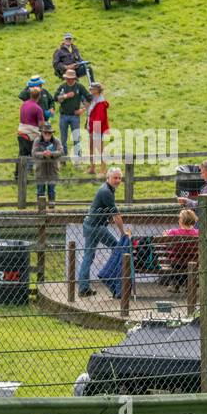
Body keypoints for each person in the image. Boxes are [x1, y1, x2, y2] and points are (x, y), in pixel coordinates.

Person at [77, 167, 126, 297]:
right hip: (97, 227)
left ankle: (83, 288)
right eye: (115, 177)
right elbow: (116, 215)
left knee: (88, 256)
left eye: (119, 178)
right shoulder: (106, 192)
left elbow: (108, 211)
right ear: (108, 178)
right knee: (117, 248)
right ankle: (112, 278)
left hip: (90, 225)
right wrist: (123, 233)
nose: (118, 180)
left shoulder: (108, 189)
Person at [55, 67, 91, 167]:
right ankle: (63, 159)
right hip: (63, 116)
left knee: (76, 138)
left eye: (71, 78)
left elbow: (89, 98)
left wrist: (82, 109)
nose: (69, 80)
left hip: (75, 116)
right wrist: (65, 96)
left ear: (74, 78)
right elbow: (55, 98)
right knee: (63, 139)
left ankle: (77, 161)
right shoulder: (62, 87)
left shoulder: (79, 87)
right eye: (67, 78)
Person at [160, 208, 199, 290]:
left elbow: (165, 241)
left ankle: (175, 283)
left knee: (176, 260)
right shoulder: (198, 233)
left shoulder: (173, 232)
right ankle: (189, 284)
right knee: (189, 262)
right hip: (193, 262)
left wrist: (165, 234)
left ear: (181, 221)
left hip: (176, 262)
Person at [18, 86, 44, 183]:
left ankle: (18, 176)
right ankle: (39, 175)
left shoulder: (24, 104)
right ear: (39, 96)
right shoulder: (38, 108)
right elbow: (41, 124)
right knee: (35, 154)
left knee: (21, 155)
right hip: (30, 134)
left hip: (20, 132)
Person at [32, 121, 63, 202]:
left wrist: (51, 154)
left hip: (52, 170)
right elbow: (34, 153)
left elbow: (61, 151)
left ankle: (52, 210)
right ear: (42, 132)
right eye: (45, 132)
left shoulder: (57, 141)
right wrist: (43, 154)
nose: (47, 134)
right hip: (40, 170)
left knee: (51, 191)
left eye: (49, 133)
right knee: (40, 191)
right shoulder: (37, 141)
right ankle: (40, 210)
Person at [85, 82, 109, 175]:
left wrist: (95, 131)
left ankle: (103, 169)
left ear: (97, 91)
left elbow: (99, 118)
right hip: (92, 128)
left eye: (92, 89)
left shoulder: (100, 103)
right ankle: (92, 168)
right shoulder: (94, 100)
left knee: (100, 149)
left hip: (97, 129)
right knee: (91, 147)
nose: (90, 90)